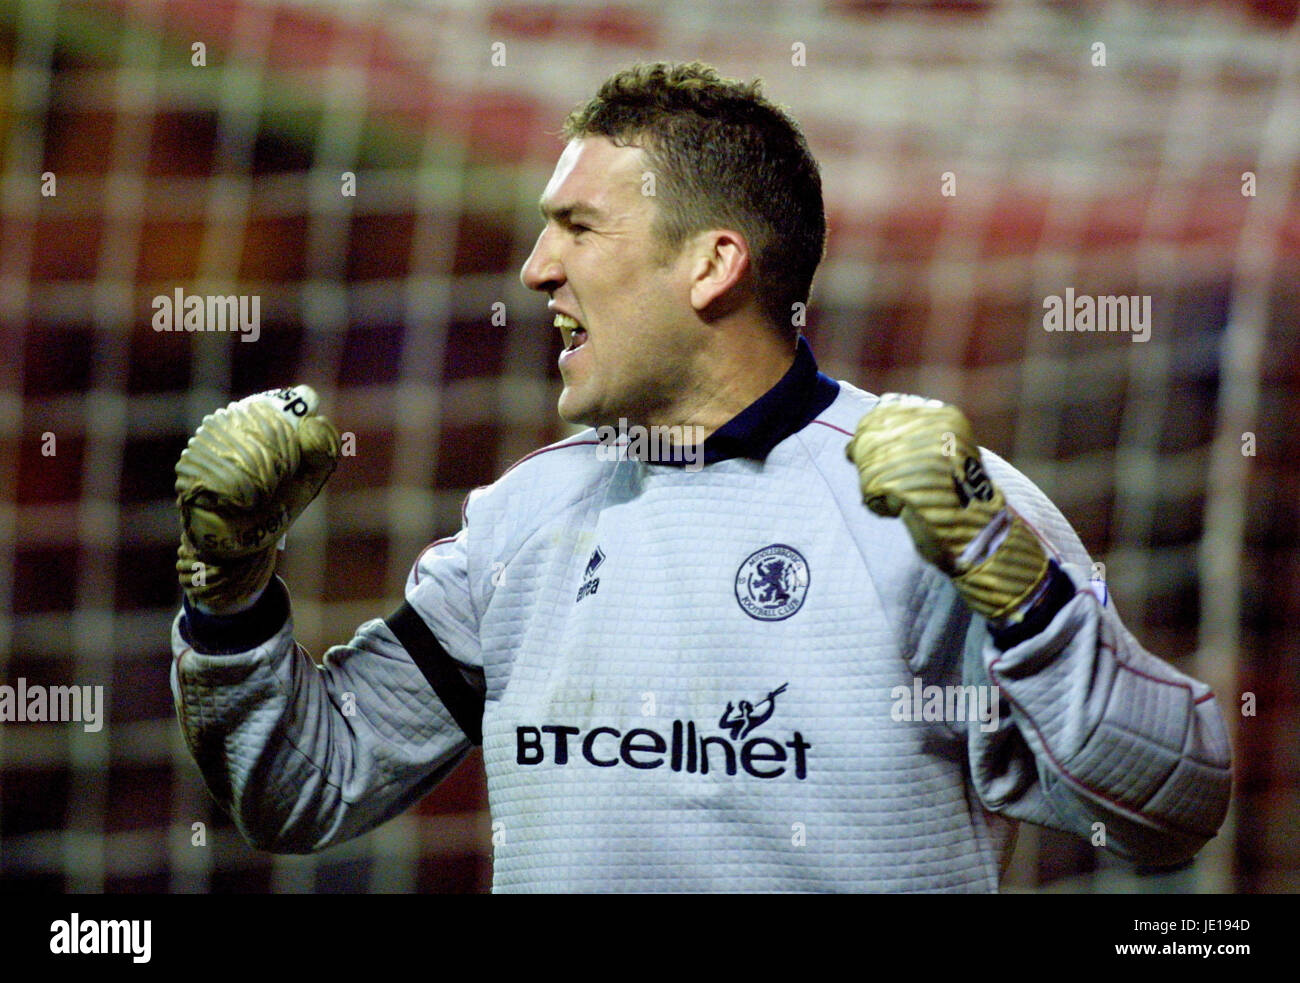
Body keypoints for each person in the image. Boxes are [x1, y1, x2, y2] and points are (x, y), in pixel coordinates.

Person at [170, 61, 1232, 892]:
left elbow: (1171, 804)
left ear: (711, 264)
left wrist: (1020, 590)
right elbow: (304, 791)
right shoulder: (523, 521)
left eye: (577, 226)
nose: (537, 267)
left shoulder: (938, 507)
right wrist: (229, 591)